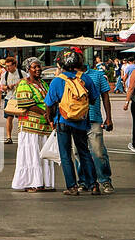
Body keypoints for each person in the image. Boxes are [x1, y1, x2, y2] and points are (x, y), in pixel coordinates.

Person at [44, 48, 101, 195]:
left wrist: (50, 119)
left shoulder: (57, 81)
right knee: (84, 152)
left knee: (65, 154)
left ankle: (72, 187)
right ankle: (93, 185)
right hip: (81, 122)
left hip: (63, 121)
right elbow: (94, 99)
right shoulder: (85, 78)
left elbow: (49, 104)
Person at [9, 57, 56, 191]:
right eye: (34, 67)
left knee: (43, 155)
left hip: (44, 125)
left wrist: (50, 114)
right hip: (30, 126)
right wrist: (44, 112)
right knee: (31, 155)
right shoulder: (23, 83)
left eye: (39, 66)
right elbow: (25, 103)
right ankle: (32, 183)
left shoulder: (43, 83)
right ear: (28, 69)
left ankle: (44, 182)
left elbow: (49, 99)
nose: (37, 69)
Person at [80, 51, 114, 193]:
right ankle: (84, 181)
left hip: (94, 118)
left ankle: (105, 180)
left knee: (98, 152)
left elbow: (105, 96)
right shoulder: (69, 76)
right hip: (77, 119)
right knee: (79, 153)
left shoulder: (97, 75)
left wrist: (109, 117)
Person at [0, 57, 21, 144]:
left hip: (20, 99)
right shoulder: (5, 75)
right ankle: (8, 137)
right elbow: (2, 87)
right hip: (9, 98)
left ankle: (21, 136)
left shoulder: (22, 73)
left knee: (21, 119)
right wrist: (8, 87)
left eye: (9, 66)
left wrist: (22, 83)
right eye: (6, 66)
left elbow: (29, 82)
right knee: (9, 118)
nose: (8, 68)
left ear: (14, 65)